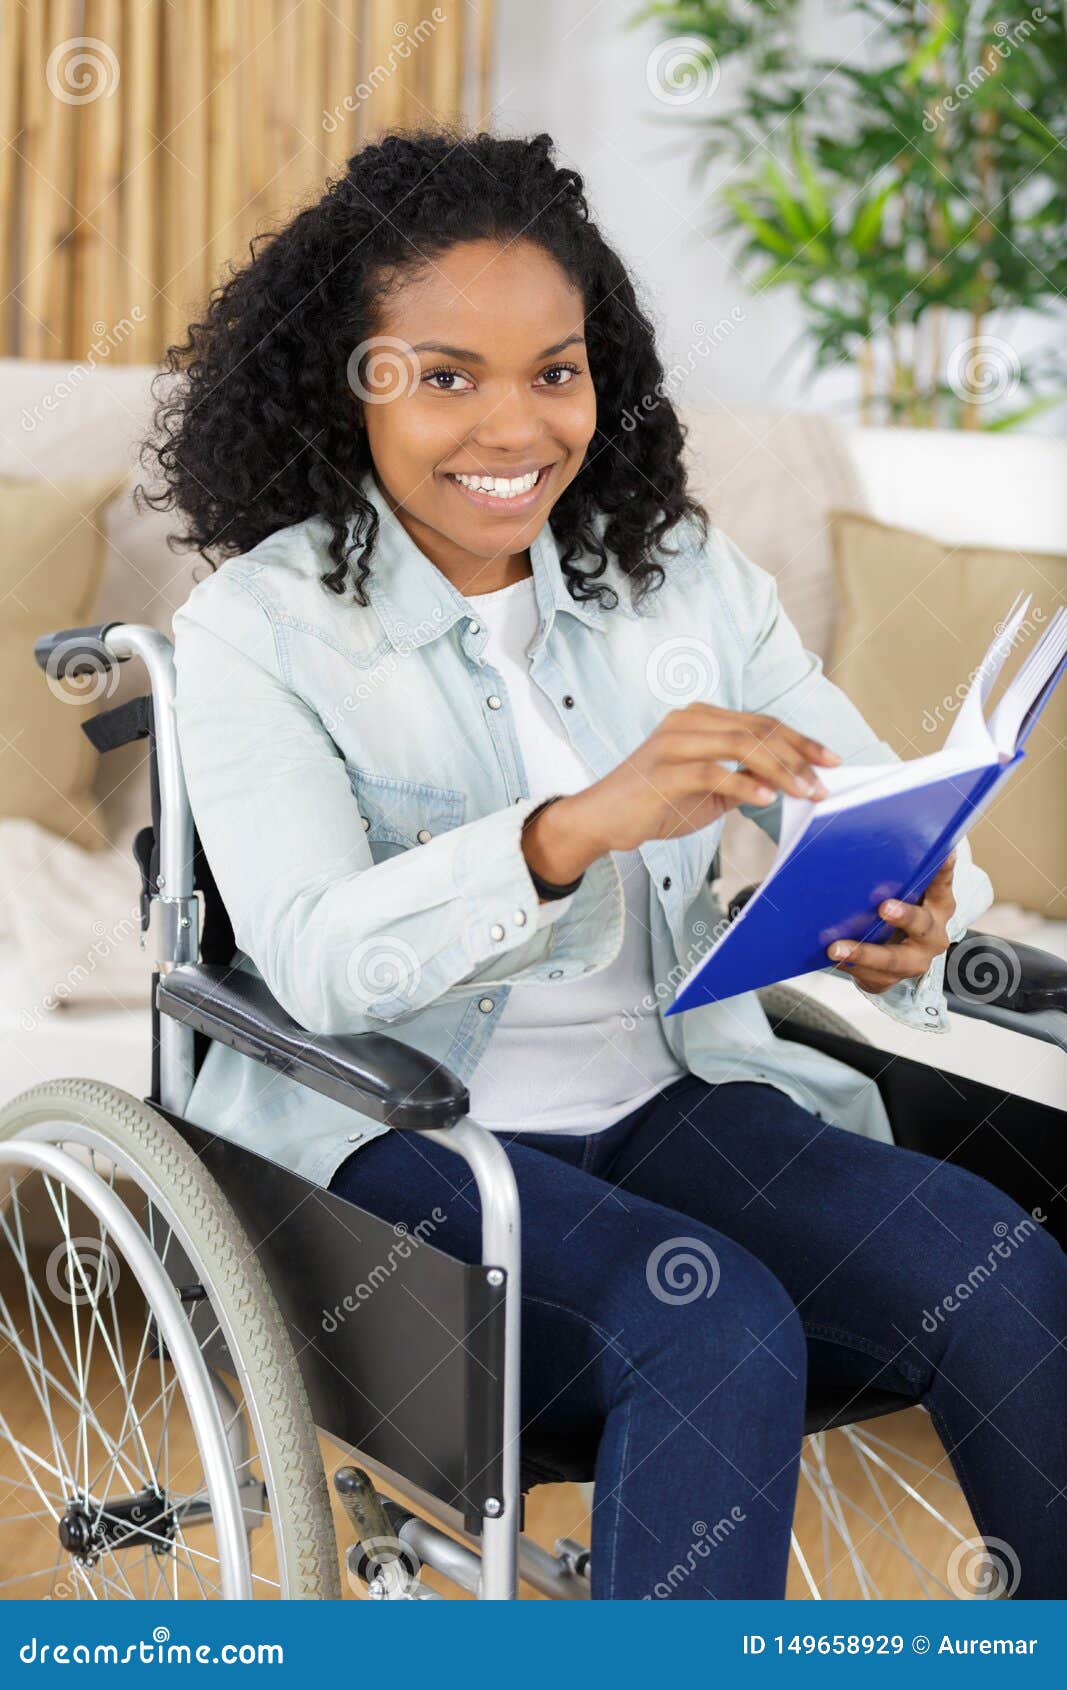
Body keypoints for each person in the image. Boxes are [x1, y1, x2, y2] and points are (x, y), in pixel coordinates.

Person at [151, 126, 1067, 1599]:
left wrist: (899, 899)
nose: (513, 428)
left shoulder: (678, 577)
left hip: (670, 1096)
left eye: (555, 371)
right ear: (351, 382)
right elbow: (318, 957)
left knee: (1006, 1272)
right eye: (445, 376)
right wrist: (570, 829)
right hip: (399, 1152)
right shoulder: (258, 630)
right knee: (716, 1327)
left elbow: (851, 791)